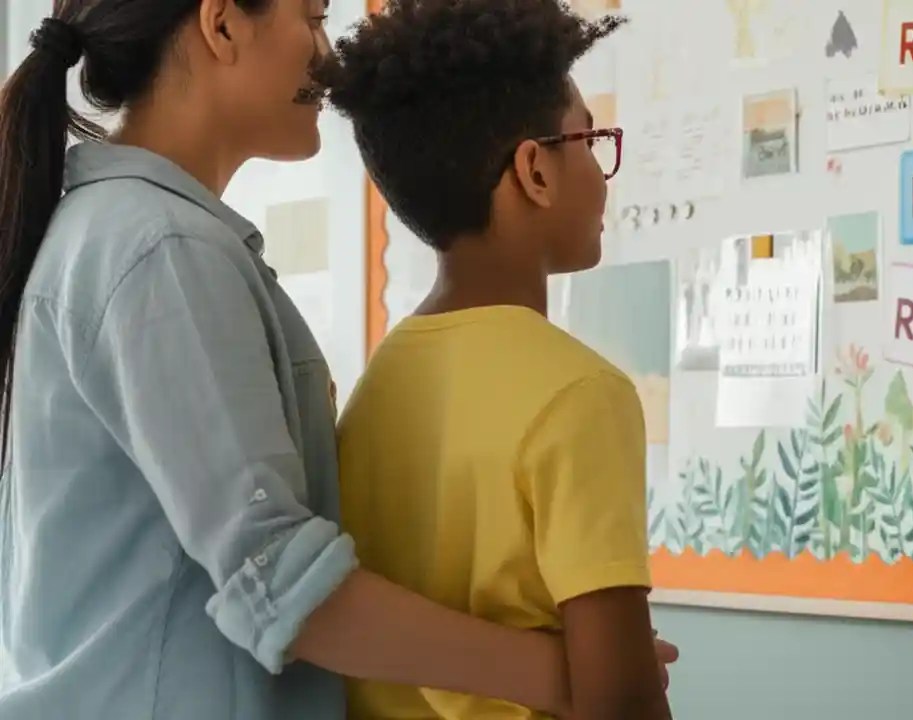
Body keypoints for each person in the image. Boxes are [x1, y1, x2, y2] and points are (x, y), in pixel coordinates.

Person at [0, 1, 673, 718]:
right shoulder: (161, 248)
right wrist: (569, 674)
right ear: (222, 25)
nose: (327, 57)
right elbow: (276, 579)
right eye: (314, 16)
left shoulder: (142, 236)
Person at [321, 1, 674, 718]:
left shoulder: (380, 384)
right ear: (535, 171)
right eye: (588, 140)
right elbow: (621, 703)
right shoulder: (581, 393)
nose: (603, 172)